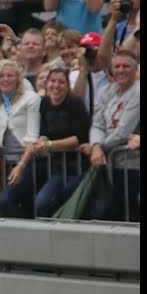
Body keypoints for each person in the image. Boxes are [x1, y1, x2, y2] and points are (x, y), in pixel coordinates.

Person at [21, 67, 90, 218]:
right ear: (46, 83)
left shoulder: (75, 103)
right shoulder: (44, 103)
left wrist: (51, 145)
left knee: (69, 196)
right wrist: (41, 142)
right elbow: (44, 132)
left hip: (79, 165)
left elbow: (80, 137)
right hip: (59, 166)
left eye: (61, 82)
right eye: (52, 81)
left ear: (67, 86)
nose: (56, 86)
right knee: (42, 201)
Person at [82, 49, 140, 221]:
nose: (121, 70)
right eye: (117, 66)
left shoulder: (137, 92)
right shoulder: (106, 91)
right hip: (109, 163)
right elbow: (97, 124)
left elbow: (123, 130)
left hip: (132, 165)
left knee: (130, 212)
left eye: (126, 66)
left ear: (135, 69)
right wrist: (97, 146)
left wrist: (99, 148)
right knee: (111, 211)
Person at [0, 59, 41, 218]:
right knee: (22, 205)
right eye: (1, 76)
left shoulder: (31, 99)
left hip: (30, 162)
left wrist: (21, 165)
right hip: (7, 163)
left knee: (6, 200)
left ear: (18, 79)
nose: (5, 79)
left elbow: (33, 137)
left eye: (10, 76)